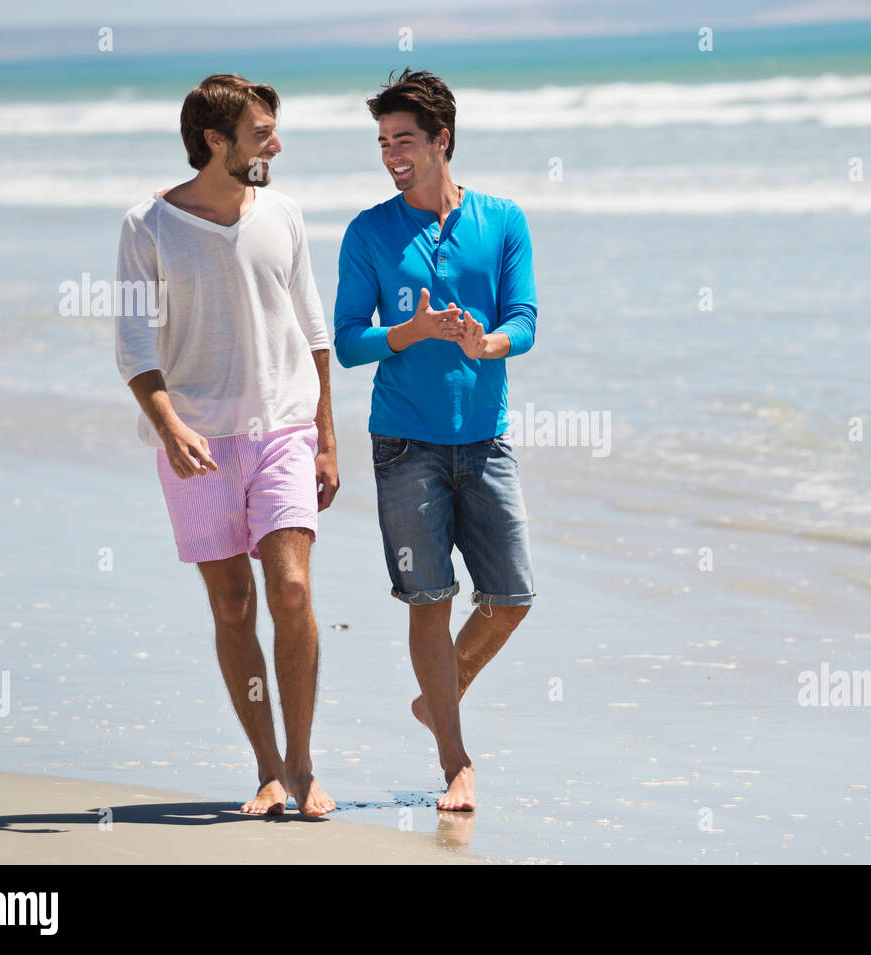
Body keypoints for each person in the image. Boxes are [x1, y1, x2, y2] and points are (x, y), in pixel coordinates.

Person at [114, 74, 337, 818]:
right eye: (262, 131)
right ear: (216, 141)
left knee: (293, 589)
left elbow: (314, 330)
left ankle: (304, 766)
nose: (276, 144)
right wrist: (171, 425)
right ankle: (268, 766)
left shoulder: (286, 214)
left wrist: (327, 438)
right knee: (235, 605)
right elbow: (134, 345)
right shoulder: (148, 225)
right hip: (198, 442)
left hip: (283, 428)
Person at [334, 68, 538, 812]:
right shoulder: (369, 231)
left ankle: (438, 695)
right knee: (430, 598)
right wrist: (411, 331)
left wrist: (489, 347)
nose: (392, 154)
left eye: (406, 141)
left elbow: (526, 319)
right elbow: (350, 342)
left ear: (441, 140)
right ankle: (456, 763)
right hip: (404, 446)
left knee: (511, 596)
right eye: (384, 142)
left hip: (485, 440)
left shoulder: (503, 218)